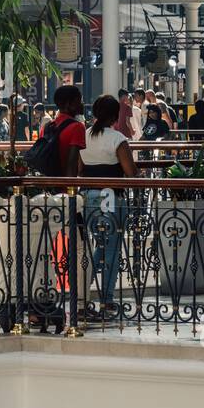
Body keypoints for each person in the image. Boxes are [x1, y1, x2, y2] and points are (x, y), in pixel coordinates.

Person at [78, 95, 137, 322]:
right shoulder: (118, 139)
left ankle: (83, 294)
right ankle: (107, 298)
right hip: (111, 197)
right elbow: (131, 172)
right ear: (115, 116)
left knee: (99, 246)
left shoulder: (84, 136)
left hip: (88, 197)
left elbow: (80, 169)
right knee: (111, 249)